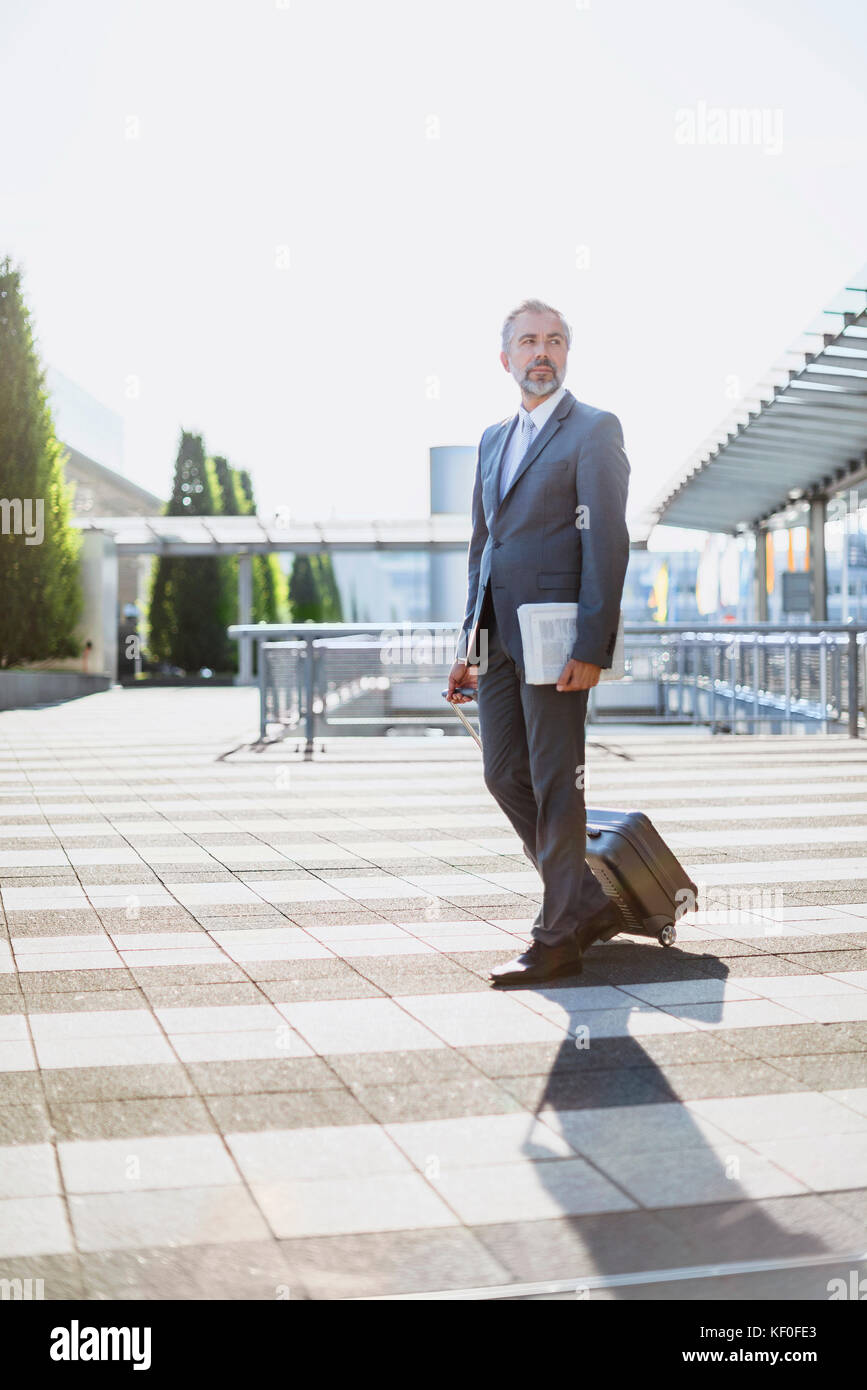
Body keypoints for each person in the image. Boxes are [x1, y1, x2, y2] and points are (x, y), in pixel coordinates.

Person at [447, 298, 630, 986]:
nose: (541, 352)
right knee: (502, 773)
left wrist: (591, 644)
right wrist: (467, 644)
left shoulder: (594, 429)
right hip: (496, 636)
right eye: (528, 341)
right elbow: (483, 546)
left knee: (556, 783)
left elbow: (606, 542)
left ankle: (557, 938)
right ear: (506, 358)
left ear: (566, 353)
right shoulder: (492, 439)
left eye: (554, 340)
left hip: (556, 641)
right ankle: (582, 900)